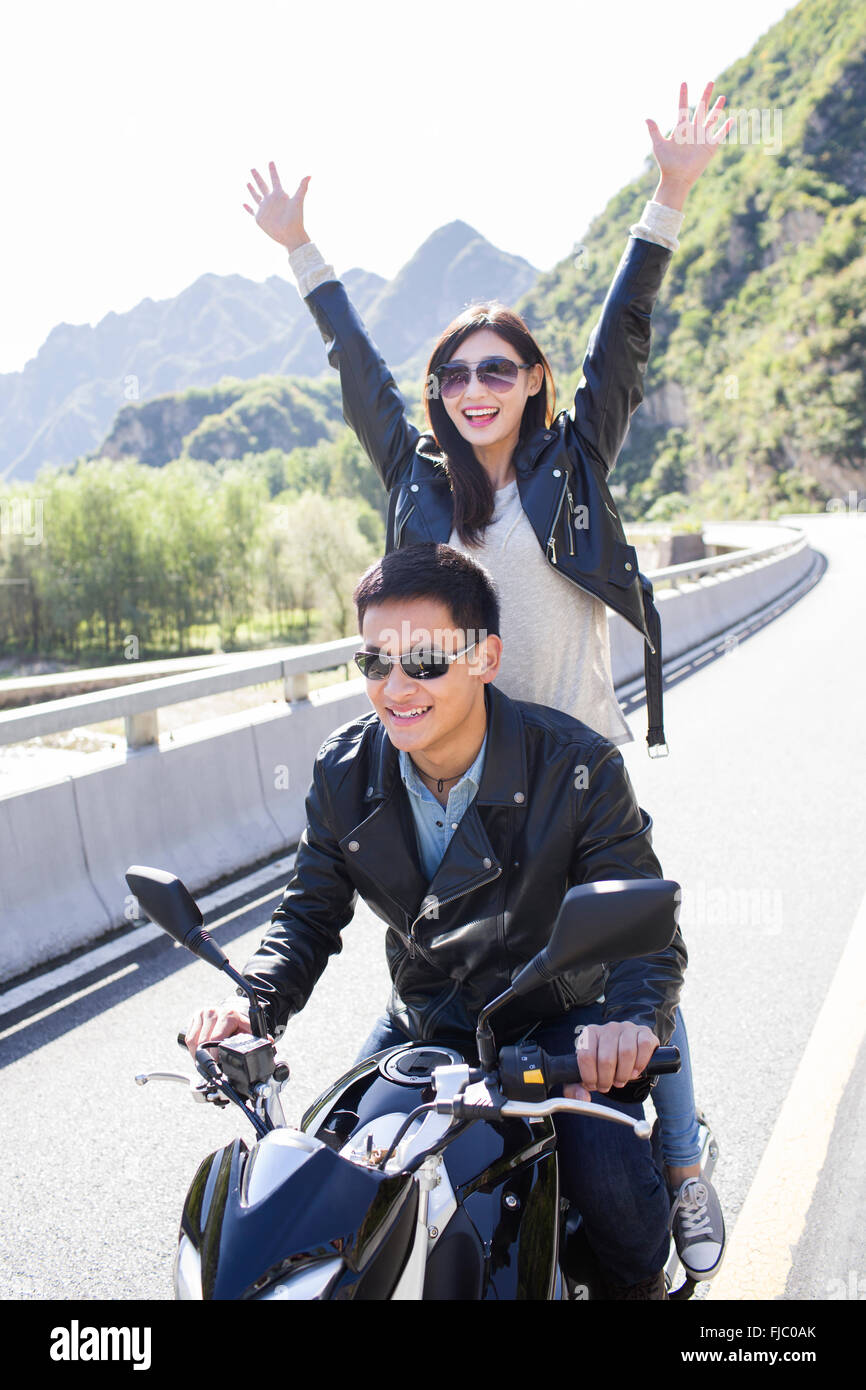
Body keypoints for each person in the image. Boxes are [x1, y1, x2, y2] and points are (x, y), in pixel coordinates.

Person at [239, 81, 729, 1281]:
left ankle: (676, 1163)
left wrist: (666, 198)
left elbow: (624, 333)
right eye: (456, 368)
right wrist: (301, 250)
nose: (474, 384)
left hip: (570, 756)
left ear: (531, 379)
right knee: (441, 993)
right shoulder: (415, 481)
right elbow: (355, 368)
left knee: (625, 959)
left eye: (498, 365)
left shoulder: (575, 460)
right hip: (456, 752)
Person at [187, 542, 688, 1299]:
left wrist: (628, 1025)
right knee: (332, 1171)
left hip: (558, 1020)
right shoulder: (342, 769)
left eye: (424, 662)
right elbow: (308, 912)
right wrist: (250, 1001)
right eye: (373, 664)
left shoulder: (576, 767)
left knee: (617, 1199)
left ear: (485, 657)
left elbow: (643, 931)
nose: (395, 688)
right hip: (427, 1016)